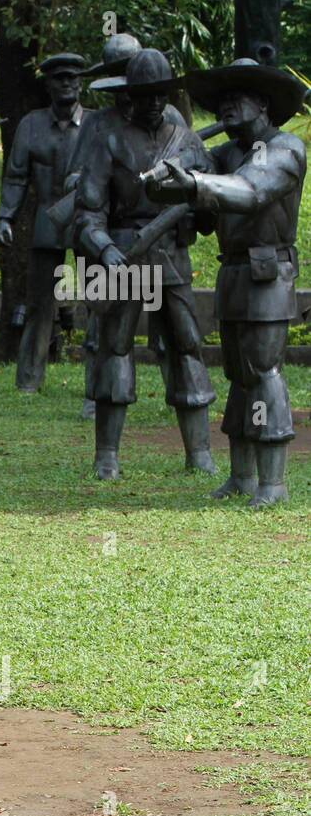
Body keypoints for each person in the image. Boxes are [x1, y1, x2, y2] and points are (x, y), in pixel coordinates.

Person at [148, 59, 308, 506]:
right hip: (233, 271)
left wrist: (195, 182)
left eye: (237, 97)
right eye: (222, 100)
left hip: (267, 273)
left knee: (263, 371)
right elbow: (199, 204)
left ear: (262, 103)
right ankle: (241, 476)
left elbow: (249, 190)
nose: (226, 106)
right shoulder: (226, 154)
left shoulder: (285, 148)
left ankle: (272, 482)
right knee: (238, 374)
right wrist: (167, 178)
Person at [73, 49, 216, 480]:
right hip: (124, 251)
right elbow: (87, 211)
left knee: (186, 345)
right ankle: (107, 456)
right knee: (115, 349)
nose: (153, 103)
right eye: (144, 95)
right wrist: (103, 248)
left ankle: (199, 453)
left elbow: (211, 206)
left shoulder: (188, 141)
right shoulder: (109, 139)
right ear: (130, 95)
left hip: (171, 252)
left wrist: (201, 201)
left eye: (160, 94)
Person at [0, 53, 86, 393]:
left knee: (100, 300)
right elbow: (16, 177)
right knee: (38, 305)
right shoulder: (31, 124)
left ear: (81, 82)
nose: (66, 83)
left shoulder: (95, 123)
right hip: (47, 222)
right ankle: (29, 380)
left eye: (72, 77)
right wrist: (6, 215)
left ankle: (100, 379)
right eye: (59, 78)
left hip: (87, 223)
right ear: (48, 84)